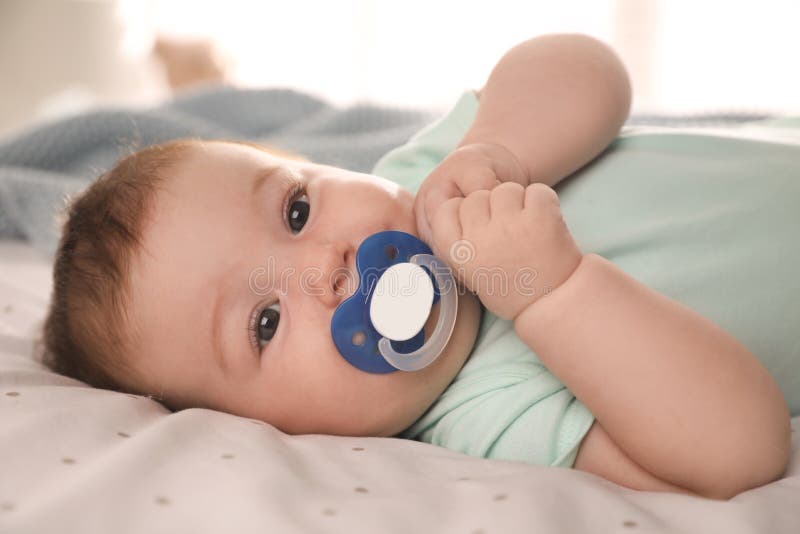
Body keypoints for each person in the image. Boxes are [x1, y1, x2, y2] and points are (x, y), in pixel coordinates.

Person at [38, 34, 795, 501]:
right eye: (264, 323)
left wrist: (499, 149)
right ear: (271, 431)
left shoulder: (438, 173)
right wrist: (552, 293)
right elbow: (741, 451)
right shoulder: (489, 417)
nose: (323, 267)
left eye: (297, 210)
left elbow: (588, 68)